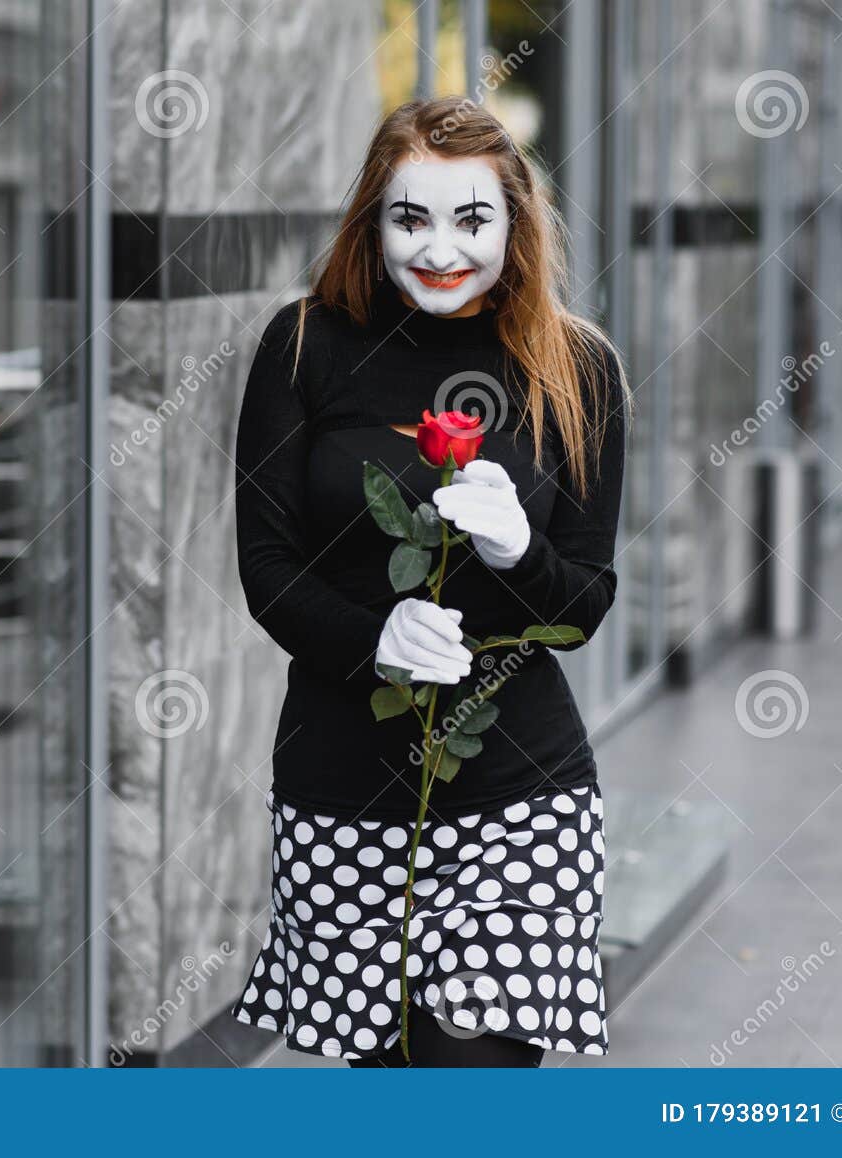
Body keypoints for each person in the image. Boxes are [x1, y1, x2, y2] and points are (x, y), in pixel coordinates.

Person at [231, 97, 628, 1068]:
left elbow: (582, 606)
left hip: (521, 796)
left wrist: (513, 554)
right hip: (342, 789)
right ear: (373, 221)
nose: (438, 247)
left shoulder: (576, 367)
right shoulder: (301, 346)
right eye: (410, 217)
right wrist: (374, 641)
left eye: (471, 219)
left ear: (515, 224)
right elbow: (267, 568)